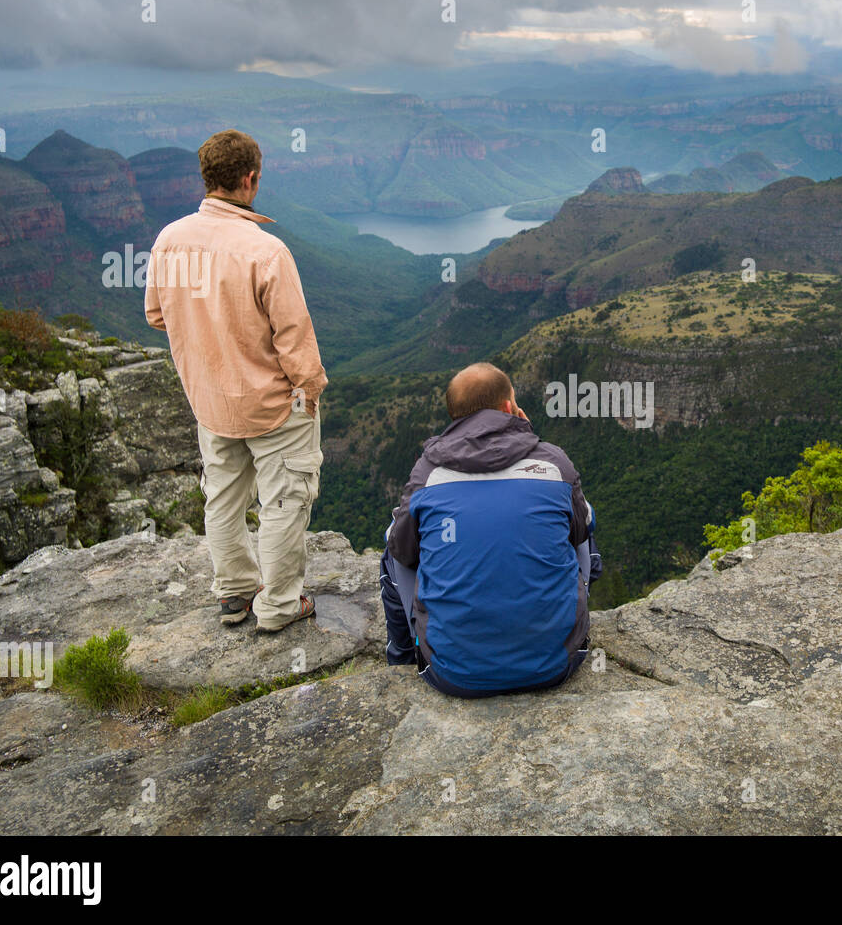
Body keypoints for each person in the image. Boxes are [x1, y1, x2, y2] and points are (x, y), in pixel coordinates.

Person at [145, 129, 328, 633]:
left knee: (222, 496)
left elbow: (157, 316)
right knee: (285, 498)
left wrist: (206, 334)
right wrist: (310, 391)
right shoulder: (265, 251)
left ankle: (234, 593)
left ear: (207, 178)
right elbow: (295, 339)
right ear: (250, 179)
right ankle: (280, 605)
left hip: (209, 400)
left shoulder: (169, 240)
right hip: (272, 403)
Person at [380, 362, 599, 698]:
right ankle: (561, 617)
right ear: (509, 408)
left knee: (394, 541)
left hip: (452, 674)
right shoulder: (554, 463)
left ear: (455, 417)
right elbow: (578, 531)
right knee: (582, 518)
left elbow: (404, 551)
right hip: (558, 664)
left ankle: (402, 656)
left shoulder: (428, 474)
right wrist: (526, 435)